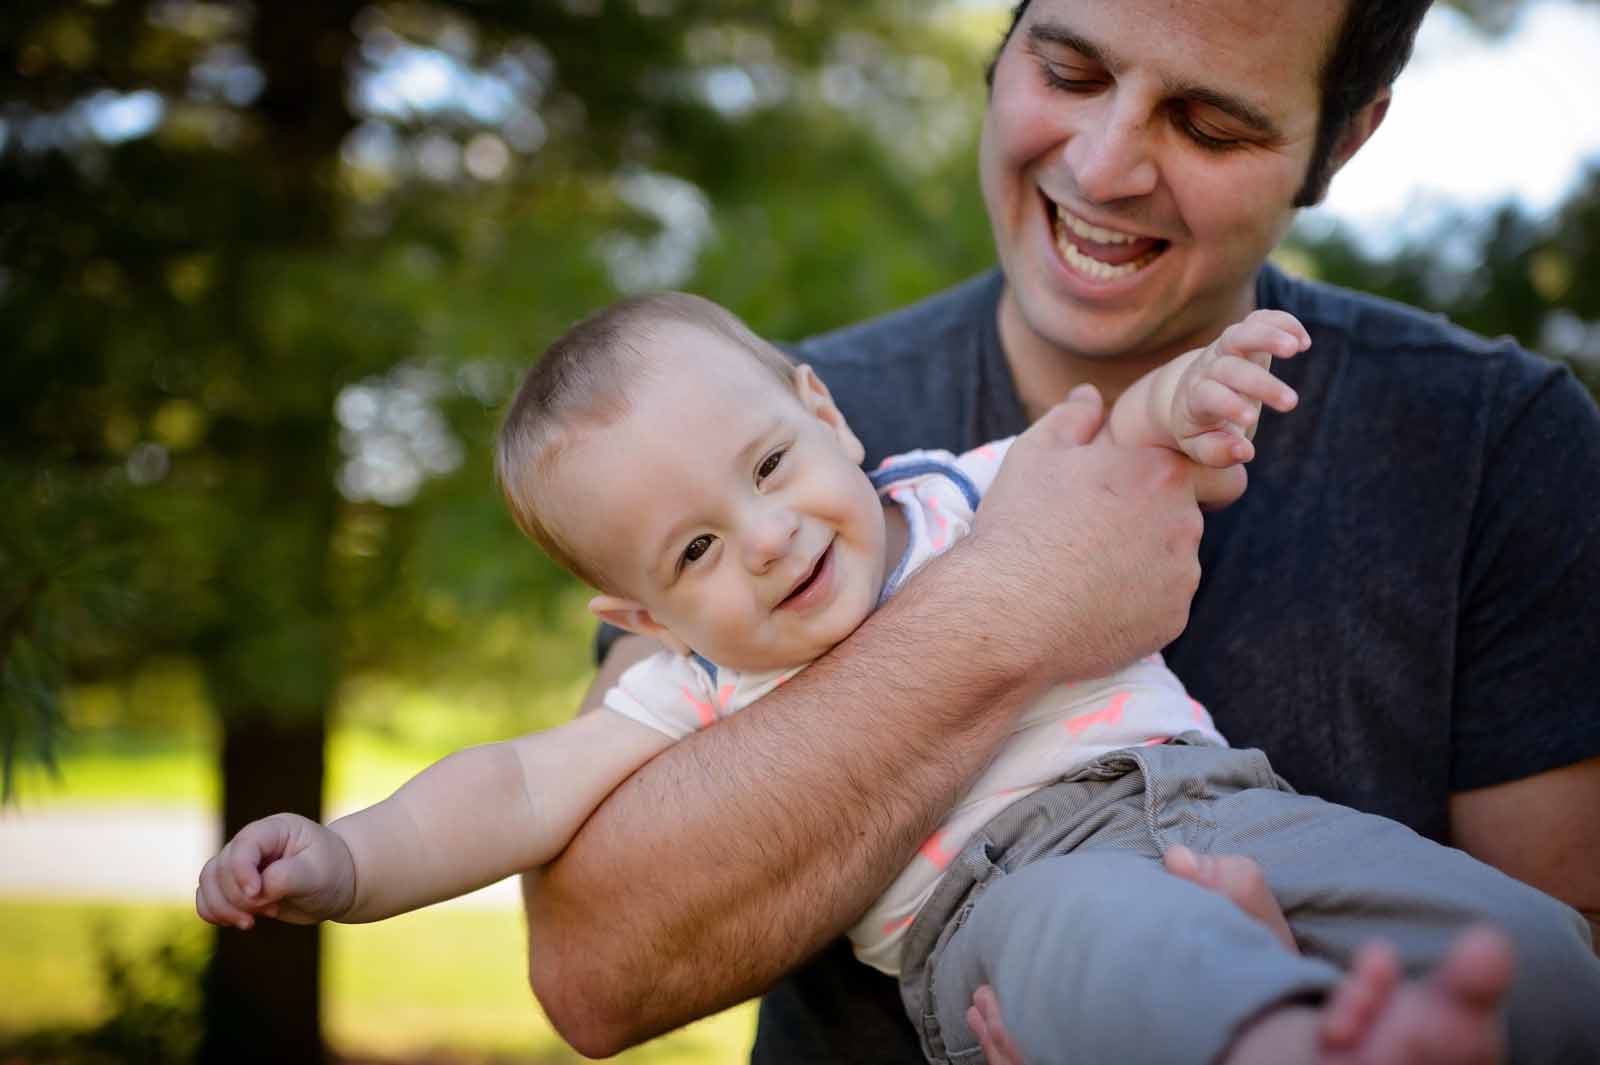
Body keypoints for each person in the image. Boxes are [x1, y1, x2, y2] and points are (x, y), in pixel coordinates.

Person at [518, 1, 1600, 1064]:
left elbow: (1550, 982)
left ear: (1343, 137)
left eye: (1208, 124)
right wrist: (1015, 604)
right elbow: (595, 973)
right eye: (1071, 73)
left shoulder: (1495, 443)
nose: (1102, 165)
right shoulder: (756, 450)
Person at [196, 293, 1599, 1064]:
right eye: (695, 547)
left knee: (1534, 952)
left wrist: (1195, 395)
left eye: (767, 467)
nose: (770, 538)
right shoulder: (685, 686)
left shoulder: (965, 490)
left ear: (821, 407)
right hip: (1008, 895)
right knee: (1142, 965)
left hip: (1225, 802)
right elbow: (506, 785)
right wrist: (340, 855)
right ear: (638, 608)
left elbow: (1121, 441)